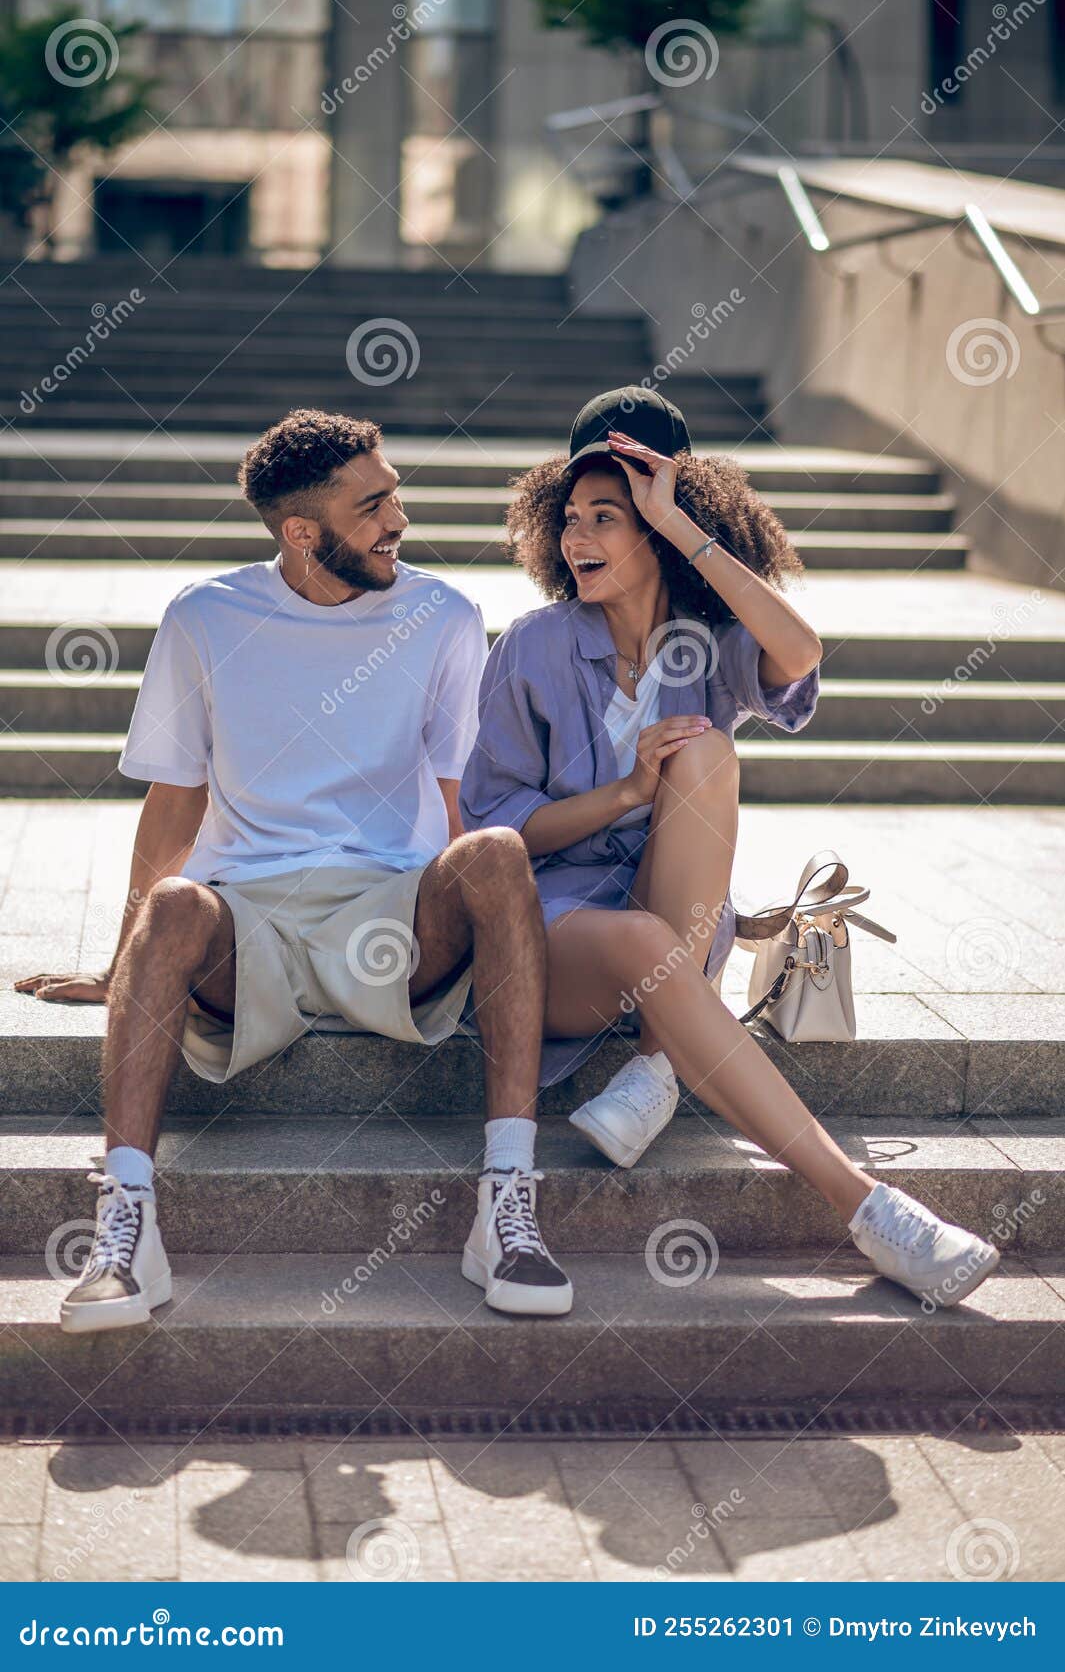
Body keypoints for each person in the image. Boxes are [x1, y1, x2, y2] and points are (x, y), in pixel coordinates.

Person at [16, 408, 572, 1331]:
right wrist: (126, 965)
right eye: (373, 507)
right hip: (248, 929)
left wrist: (507, 945)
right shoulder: (205, 616)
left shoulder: (442, 615)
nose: (398, 521)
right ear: (302, 533)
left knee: (498, 852)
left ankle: (506, 1206)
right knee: (174, 902)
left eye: (394, 496)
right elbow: (173, 806)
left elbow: (461, 804)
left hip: (391, 921)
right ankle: (125, 1230)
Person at [459, 386, 999, 1309]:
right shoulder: (534, 646)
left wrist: (680, 524)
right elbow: (493, 833)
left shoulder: (705, 646)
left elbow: (799, 650)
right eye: (569, 516)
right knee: (643, 934)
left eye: (607, 516)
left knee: (706, 752)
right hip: (549, 928)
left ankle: (659, 1061)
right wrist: (623, 794)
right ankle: (866, 1207)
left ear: (662, 525)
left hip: (672, 918)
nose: (576, 536)